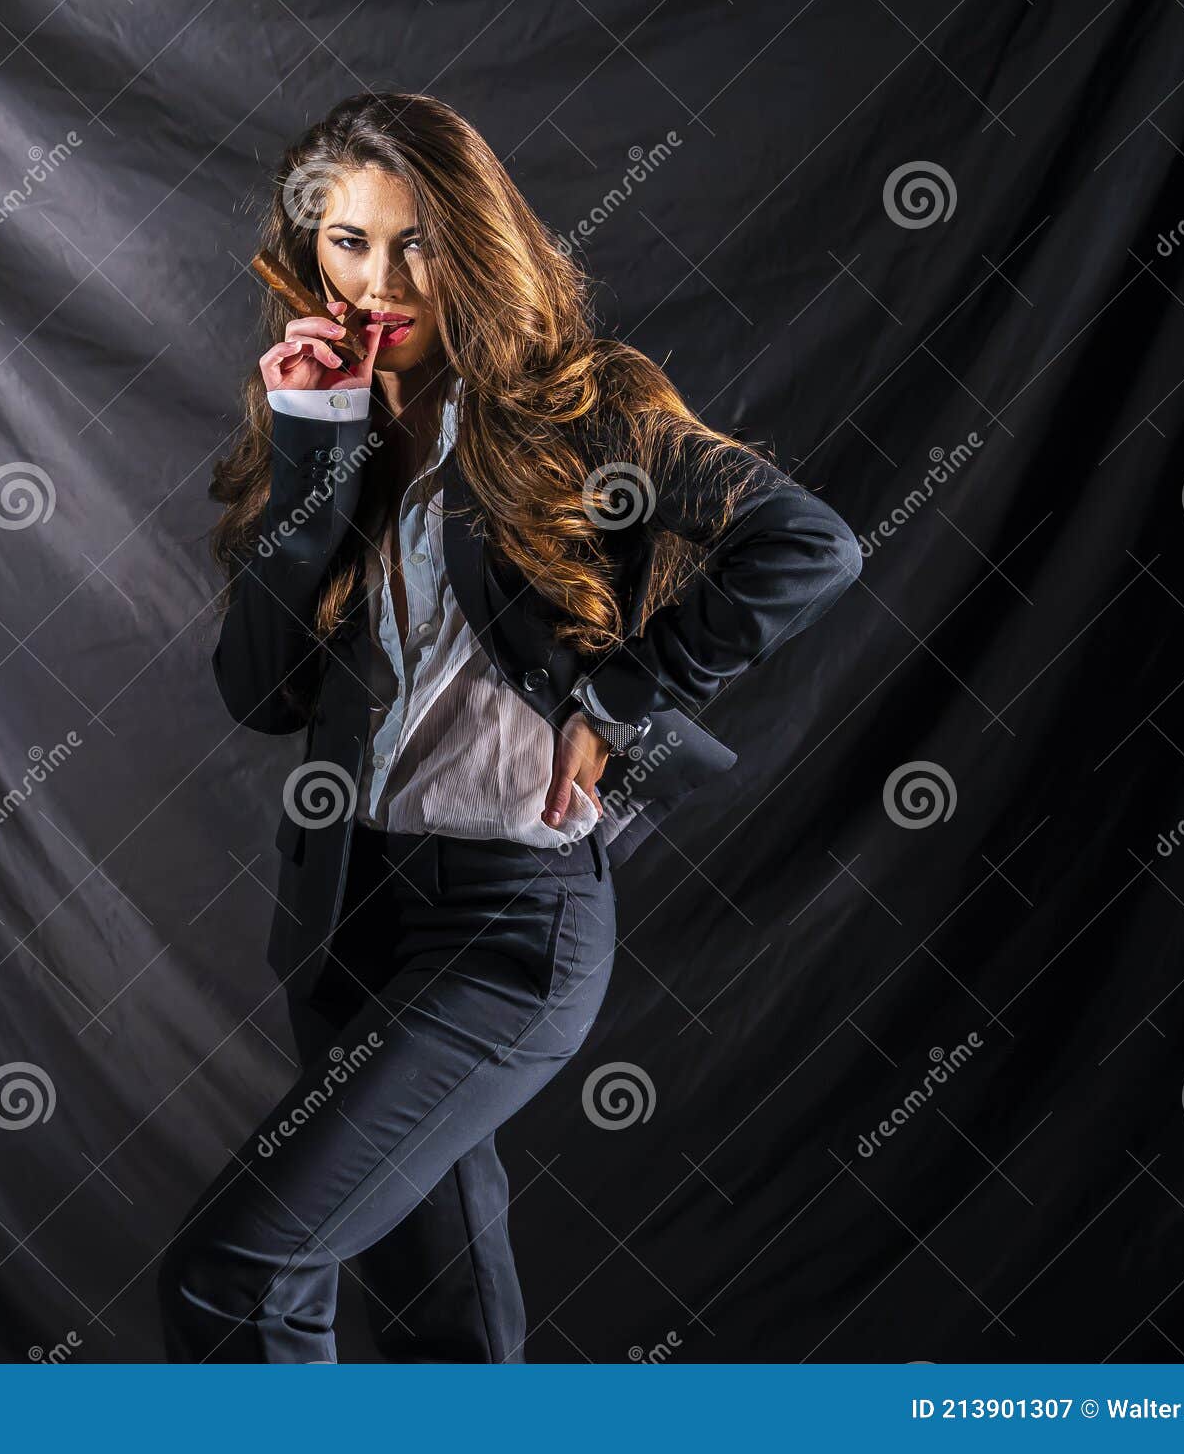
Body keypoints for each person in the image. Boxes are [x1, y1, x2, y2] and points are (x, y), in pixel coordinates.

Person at [158, 92, 863, 1363]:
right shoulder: (327, 425)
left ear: (475, 236)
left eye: (414, 240)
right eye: (347, 242)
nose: (379, 279)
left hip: (508, 927)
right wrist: (314, 461)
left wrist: (625, 693)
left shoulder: (582, 411)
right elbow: (260, 690)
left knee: (239, 1275)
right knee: (444, 1328)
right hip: (344, 917)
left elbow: (808, 543)